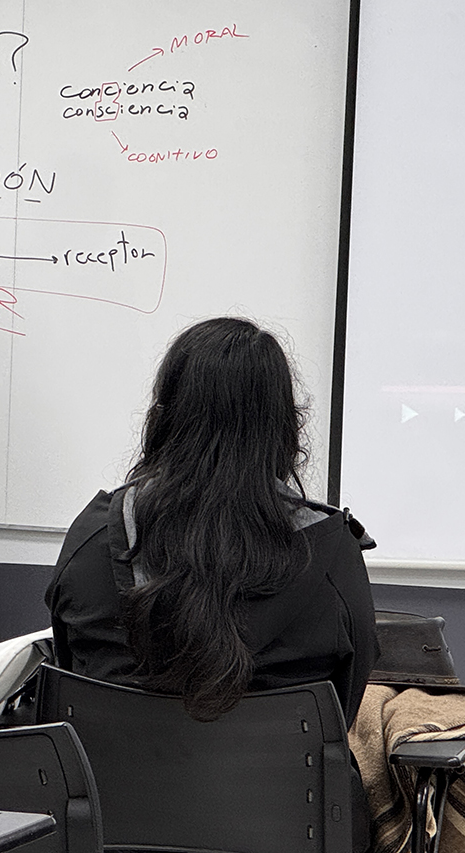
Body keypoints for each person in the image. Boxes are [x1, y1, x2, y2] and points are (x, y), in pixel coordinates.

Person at [46, 316, 377, 850]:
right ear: (285, 429)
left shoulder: (92, 538)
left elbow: (69, 672)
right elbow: (346, 703)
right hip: (292, 835)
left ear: (162, 419)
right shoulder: (334, 551)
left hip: (112, 835)